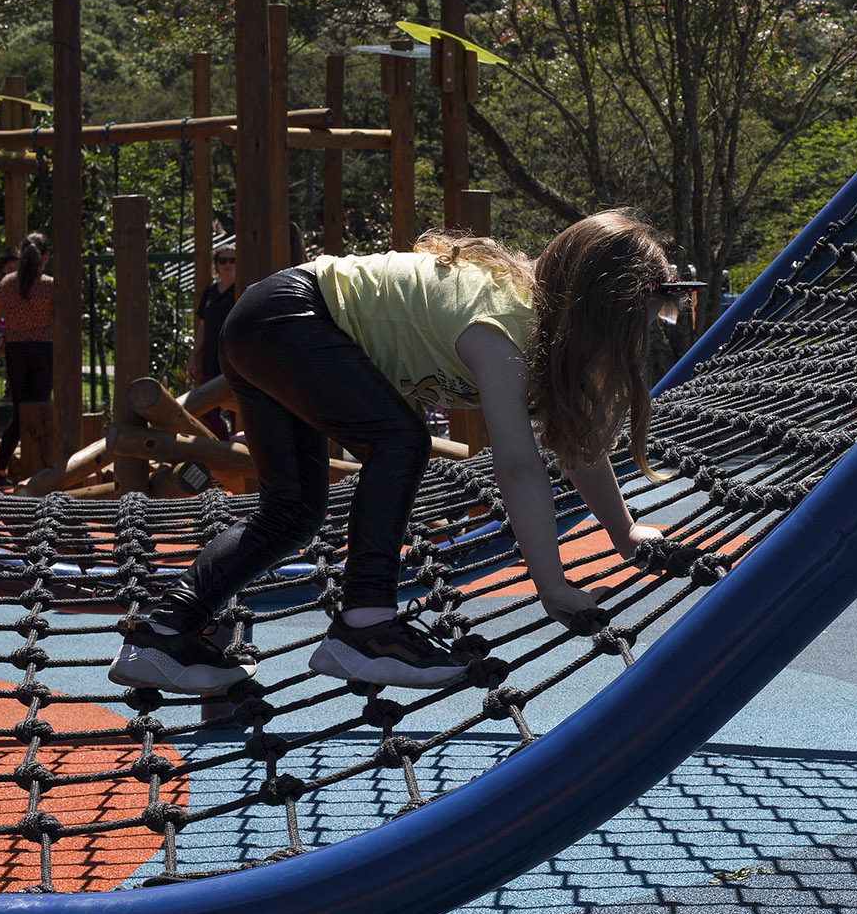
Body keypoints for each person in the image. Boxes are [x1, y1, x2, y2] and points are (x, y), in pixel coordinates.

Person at [110, 210, 685, 696]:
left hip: (266, 322)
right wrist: (552, 584)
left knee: (293, 510)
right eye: (645, 317)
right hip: (287, 317)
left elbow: (574, 446)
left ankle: (164, 634)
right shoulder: (507, 328)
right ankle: (366, 627)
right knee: (400, 438)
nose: (645, 335)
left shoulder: (537, 323)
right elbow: (516, 465)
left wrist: (624, 532)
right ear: (603, 309)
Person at [0, 232, 54, 482]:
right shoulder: (49, 285)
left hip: (16, 351)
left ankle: (1, 466)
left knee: (19, 409)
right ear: (44, 256)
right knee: (40, 407)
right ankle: (40, 468)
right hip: (44, 349)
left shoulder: (6, 284)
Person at [192, 241, 237, 438]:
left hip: (235, 359)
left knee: (238, 411)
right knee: (207, 410)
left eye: (233, 260)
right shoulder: (210, 291)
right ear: (216, 264)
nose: (228, 265)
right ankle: (223, 445)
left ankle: (241, 454)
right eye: (223, 260)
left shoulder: (241, 289)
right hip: (211, 360)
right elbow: (202, 326)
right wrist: (194, 356)